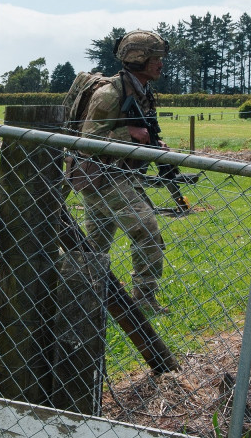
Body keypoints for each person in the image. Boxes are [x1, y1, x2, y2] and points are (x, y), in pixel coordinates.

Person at [71, 29, 170, 315]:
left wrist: (152, 142)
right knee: (146, 229)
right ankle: (144, 301)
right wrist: (130, 136)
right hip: (101, 178)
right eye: (156, 58)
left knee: (95, 246)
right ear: (139, 59)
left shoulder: (141, 91)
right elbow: (87, 143)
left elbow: (138, 130)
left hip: (115, 176)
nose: (160, 64)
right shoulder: (109, 94)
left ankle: (85, 297)